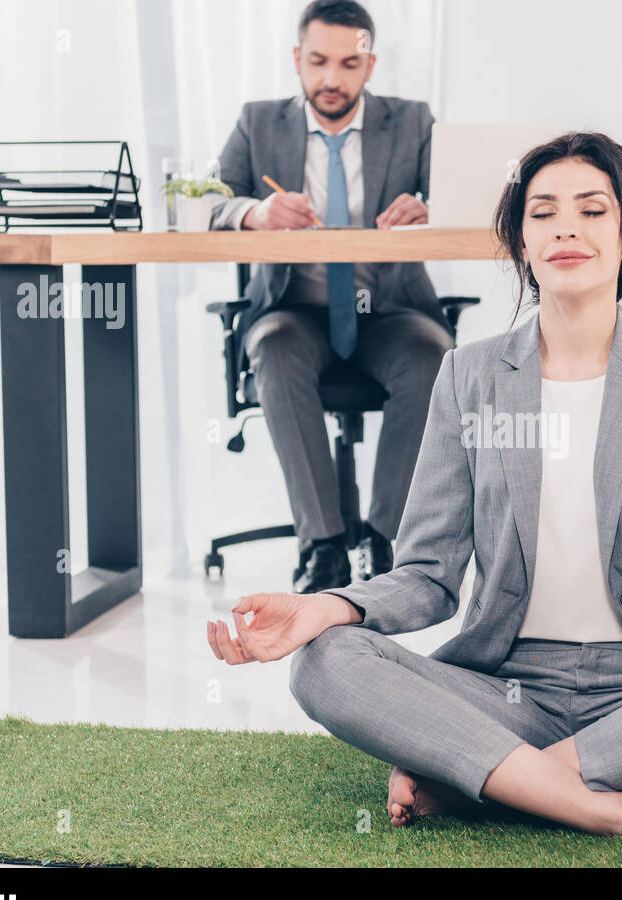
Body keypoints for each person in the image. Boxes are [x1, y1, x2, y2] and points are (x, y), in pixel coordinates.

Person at [207, 131, 622, 848]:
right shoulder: (467, 376)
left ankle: (492, 780)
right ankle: (615, 808)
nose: (566, 227)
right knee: (324, 658)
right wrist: (323, 606)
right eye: (542, 212)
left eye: (592, 210)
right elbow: (427, 575)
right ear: (520, 241)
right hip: (505, 688)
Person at [210, 0, 453, 591]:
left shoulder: (414, 122)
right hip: (296, 309)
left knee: (433, 354)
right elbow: (211, 203)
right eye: (318, 61)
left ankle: (385, 539)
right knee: (271, 345)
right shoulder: (258, 122)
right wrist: (255, 211)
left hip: (389, 309)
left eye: (349, 63)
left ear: (370, 65)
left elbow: (471, 202)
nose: (331, 79)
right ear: (298, 59)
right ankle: (323, 546)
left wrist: (431, 209)